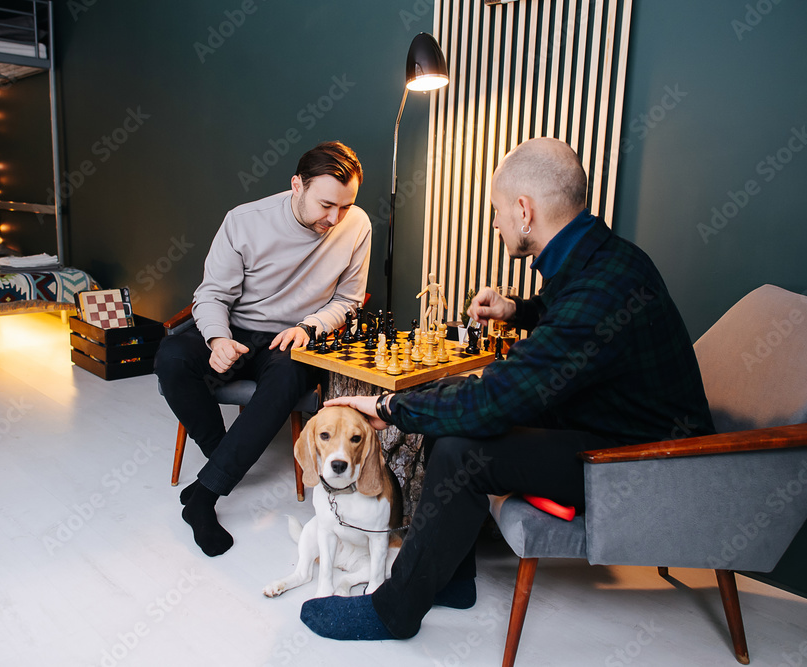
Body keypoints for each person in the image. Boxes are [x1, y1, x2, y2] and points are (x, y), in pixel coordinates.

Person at [299, 137, 715, 640]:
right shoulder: (603, 257)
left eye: (496, 212)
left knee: (461, 449)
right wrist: (519, 310)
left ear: (524, 210)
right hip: (607, 421)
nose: (494, 224)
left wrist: (389, 404)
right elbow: (568, 312)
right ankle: (452, 577)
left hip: (638, 462)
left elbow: (493, 403)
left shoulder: (602, 289)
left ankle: (394, 611)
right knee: (451, 401)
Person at [154, 141, 371, 557]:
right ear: (297, 185)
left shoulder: (356, 224)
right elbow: (211, 294)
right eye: (327, 205)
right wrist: (217, 339)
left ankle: (205, 495)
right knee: (171, 357)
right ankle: (222, 456)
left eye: (344, 207)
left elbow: (348, 299)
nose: (335, 218)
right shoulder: (244, 221)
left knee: (289, 376)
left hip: (294, 337)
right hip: (236, 328)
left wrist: (310, 326)